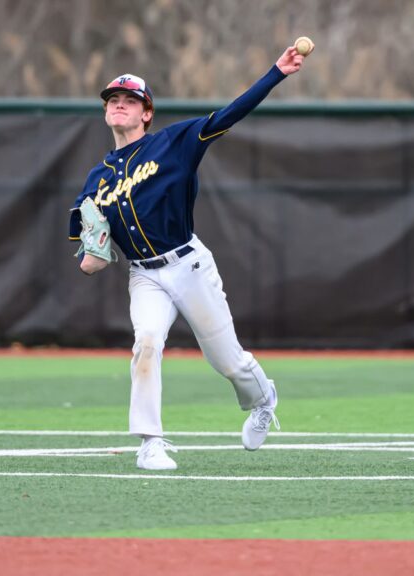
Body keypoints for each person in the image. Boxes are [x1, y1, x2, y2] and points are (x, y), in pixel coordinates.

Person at [69, 46, 307, 470]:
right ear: (107, 113)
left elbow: (232, 112)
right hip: (143, 275)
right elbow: (93, 259)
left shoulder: (175, 142)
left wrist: (277, 72)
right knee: (145, 344)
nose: (119, 106)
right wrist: (92, 255)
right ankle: (150, 442)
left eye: (130, 101)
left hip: (189, 265)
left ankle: (263, 398)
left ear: (146, 113)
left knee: (228, 362)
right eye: (113, 101)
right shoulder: (96, 180)